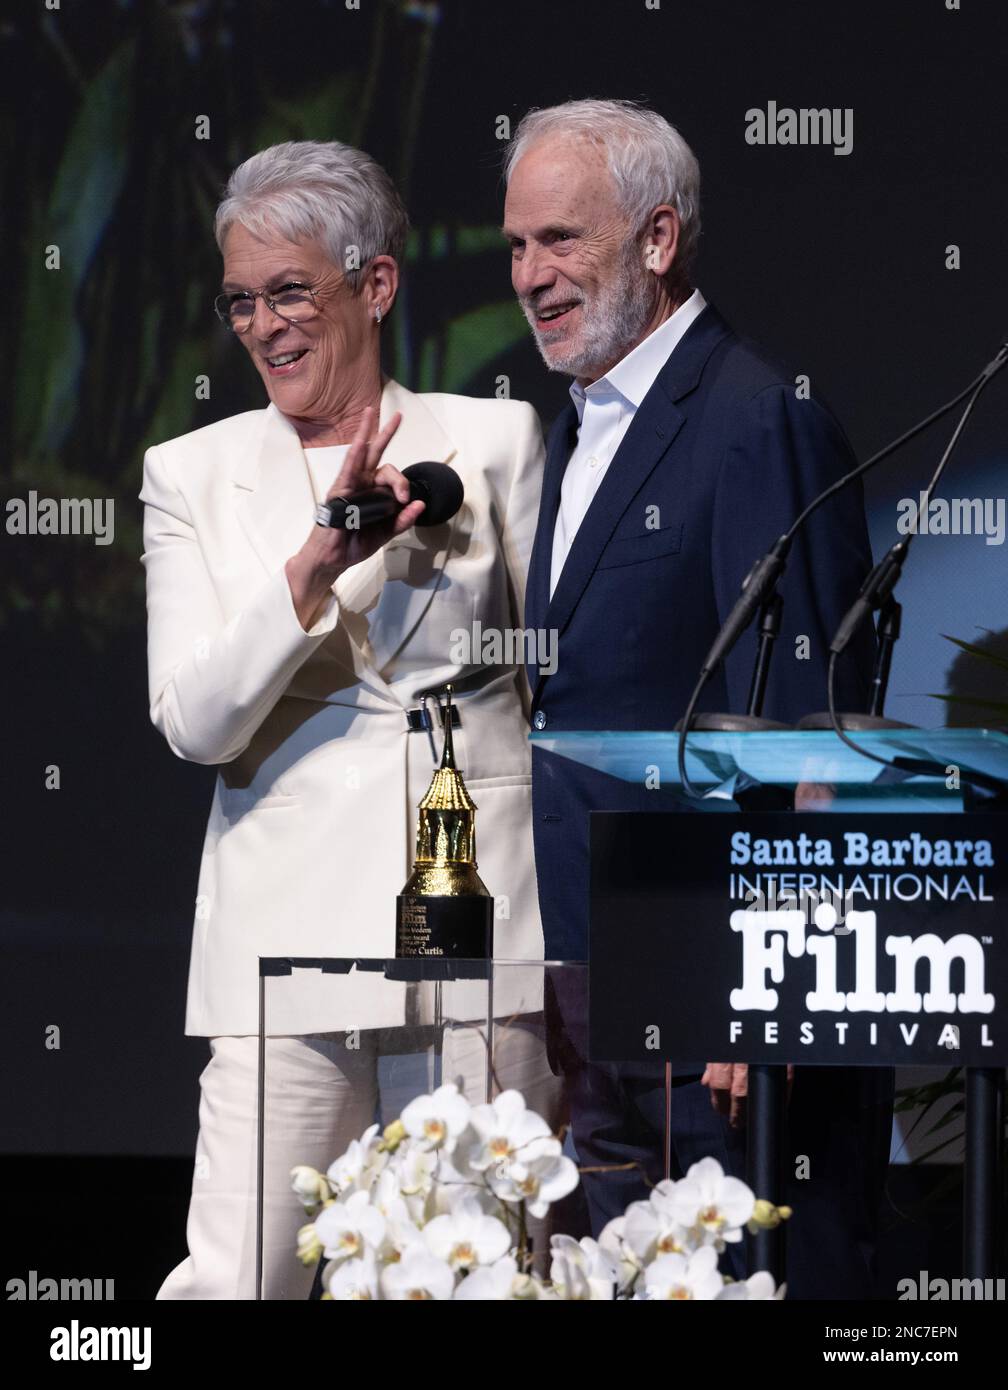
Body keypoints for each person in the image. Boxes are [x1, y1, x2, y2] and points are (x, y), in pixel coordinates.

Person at [141, 139, 556, 1299]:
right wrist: (315, 563)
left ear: (375, 284)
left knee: (478, 1269)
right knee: (241, 1280)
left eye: (290, 292)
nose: (264, 326)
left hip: (470, 933)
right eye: (241, 301)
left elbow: (548, 688)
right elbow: (198, 720)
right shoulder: (190, 472)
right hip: (285, 943)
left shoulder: (495, 443)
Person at [502, 98, 893, 1299]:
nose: (531, 275)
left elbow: (812, 727)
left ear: (659, 240)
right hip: (589, 984)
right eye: (516, 246)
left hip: (711, 1004)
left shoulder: (752, 419)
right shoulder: (574, 432)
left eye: (562, 239)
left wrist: (757, 991)